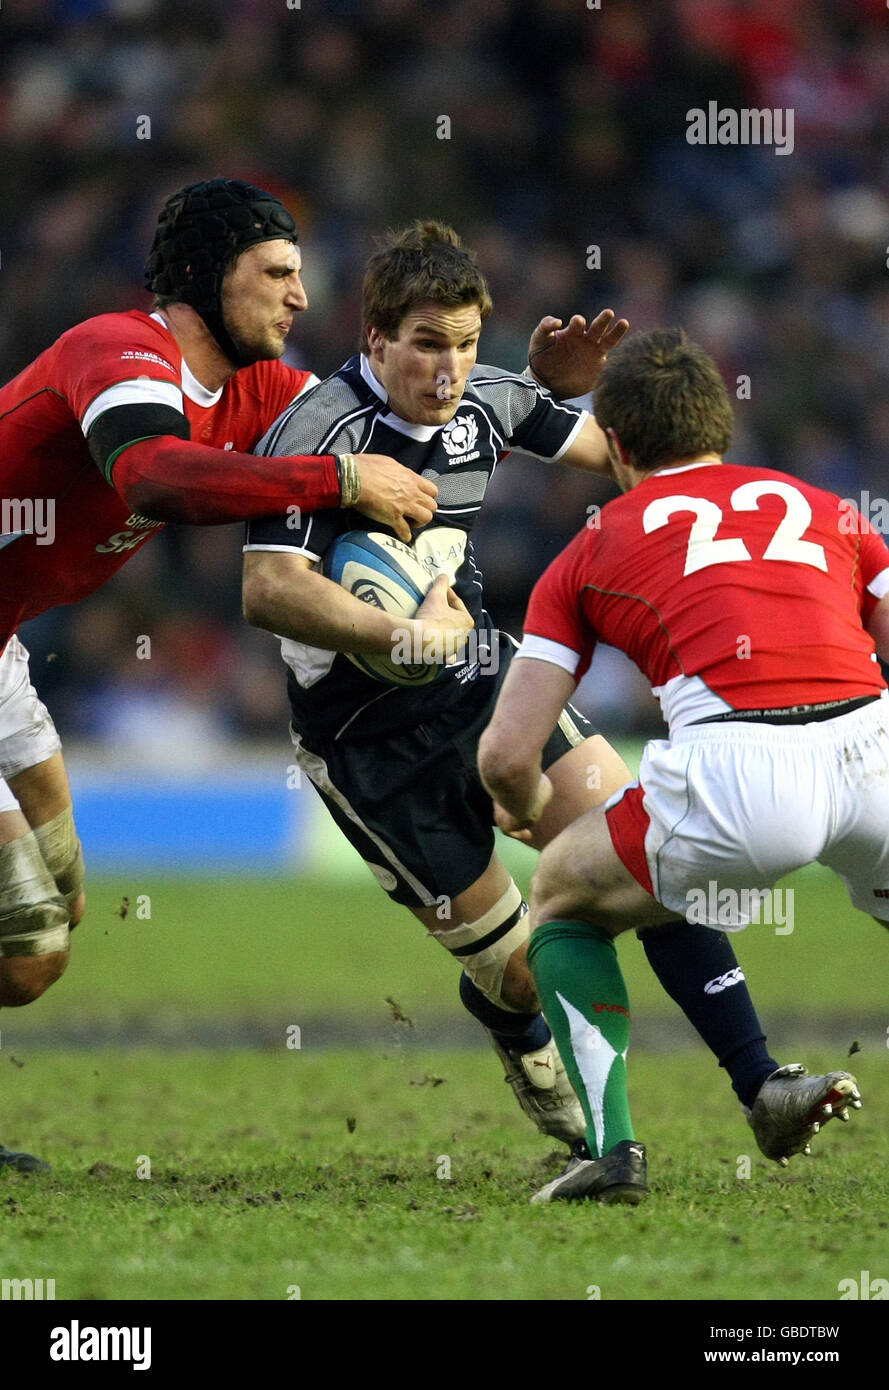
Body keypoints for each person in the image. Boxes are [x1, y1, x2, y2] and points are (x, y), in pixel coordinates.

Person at [242, 223, 821, 1170]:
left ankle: (761, 1084)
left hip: (487, 689)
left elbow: (637, 462)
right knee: (517, 976)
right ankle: (511, 1025)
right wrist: (398, 636)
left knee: (653, 862)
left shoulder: (494, 403)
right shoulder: (314, 432)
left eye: (467, 343)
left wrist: (578, 396)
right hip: (367, 744)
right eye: (427, 343)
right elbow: (266, 589)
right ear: (375, 336)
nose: (449, 369)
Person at [0, 177, 445, 1173]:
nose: (300, 295)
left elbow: (390, 442)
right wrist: (332, 479)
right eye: (277, 273)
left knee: (58, 907)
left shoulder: (262, 393)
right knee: (25, 934)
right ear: (205, 277)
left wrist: (567, 424)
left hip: (0, 655)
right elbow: (151, 474)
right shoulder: (117, 352)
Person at [478, 326, 870, 1204]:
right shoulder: (824, 506)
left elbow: (507, 751)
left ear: (613, 444)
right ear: (718, 429)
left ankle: (612, 1153)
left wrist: (522, 795)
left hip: (737, 771)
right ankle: (760, 1085)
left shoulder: (592, 544)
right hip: (873, 750)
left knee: (565, 898)